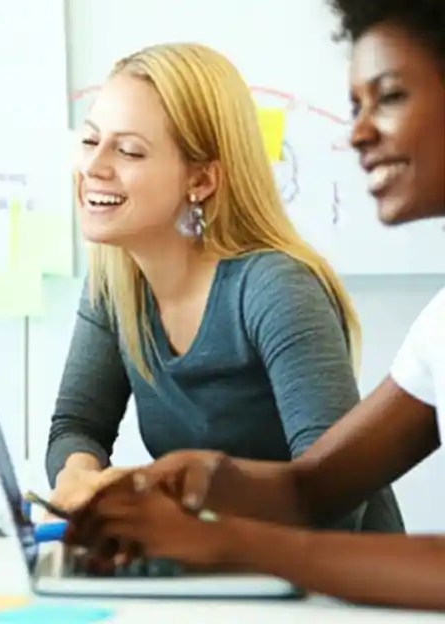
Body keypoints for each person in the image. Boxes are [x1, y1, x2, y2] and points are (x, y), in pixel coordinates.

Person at [65, 0, 445, 610]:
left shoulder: (275, 287)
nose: (356, 132)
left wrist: (230, 541)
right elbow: (315, 485)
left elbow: (336, 511)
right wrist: (202, 478)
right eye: (354, 105)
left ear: (202, 180)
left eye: (387, 98)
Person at [45, 40, 402, 533]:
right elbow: (76, 428)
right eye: (90, 141)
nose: (95, 166)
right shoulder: (114, 281)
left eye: (128, 150)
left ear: (202, 181)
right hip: (215, 574)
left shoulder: (276, 289)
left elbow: (336, 501)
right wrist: (80, 476)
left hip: (337, 590)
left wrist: (158, 494)